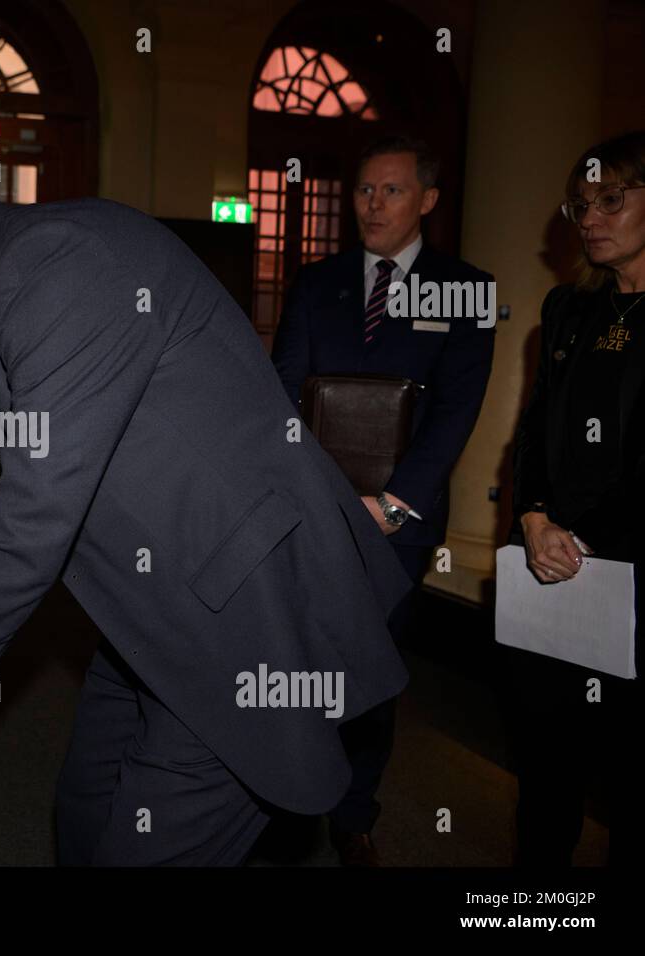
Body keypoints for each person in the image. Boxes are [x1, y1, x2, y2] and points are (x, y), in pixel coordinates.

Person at [0, 159, 411, 866]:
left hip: (242, 623)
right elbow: (53, 491)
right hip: (155, 605)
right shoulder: (17, 274)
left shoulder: (63, 265)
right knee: (87, 811)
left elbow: (38, 515)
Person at [272, 135, 496, 865]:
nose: (372, 204)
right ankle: (292, 798)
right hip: (312, 510)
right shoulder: (316, 282)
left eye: (392, 191)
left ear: (427, 199)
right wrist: (308, 496)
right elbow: (282, 397)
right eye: (365, 190)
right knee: (299, 659)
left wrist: (395, 503)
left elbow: (457, 413)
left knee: (366, 666)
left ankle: (353, 810)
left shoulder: (467, 290)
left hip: (399, 522)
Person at [508, 129, 645, 866]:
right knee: (546, 777)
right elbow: (531, 433)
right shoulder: (567, 311)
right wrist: (532, 518)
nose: (589, 218)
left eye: (612, 200)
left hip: (628, 578)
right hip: (552, 573)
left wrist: (587, 543)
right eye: (580, 203)